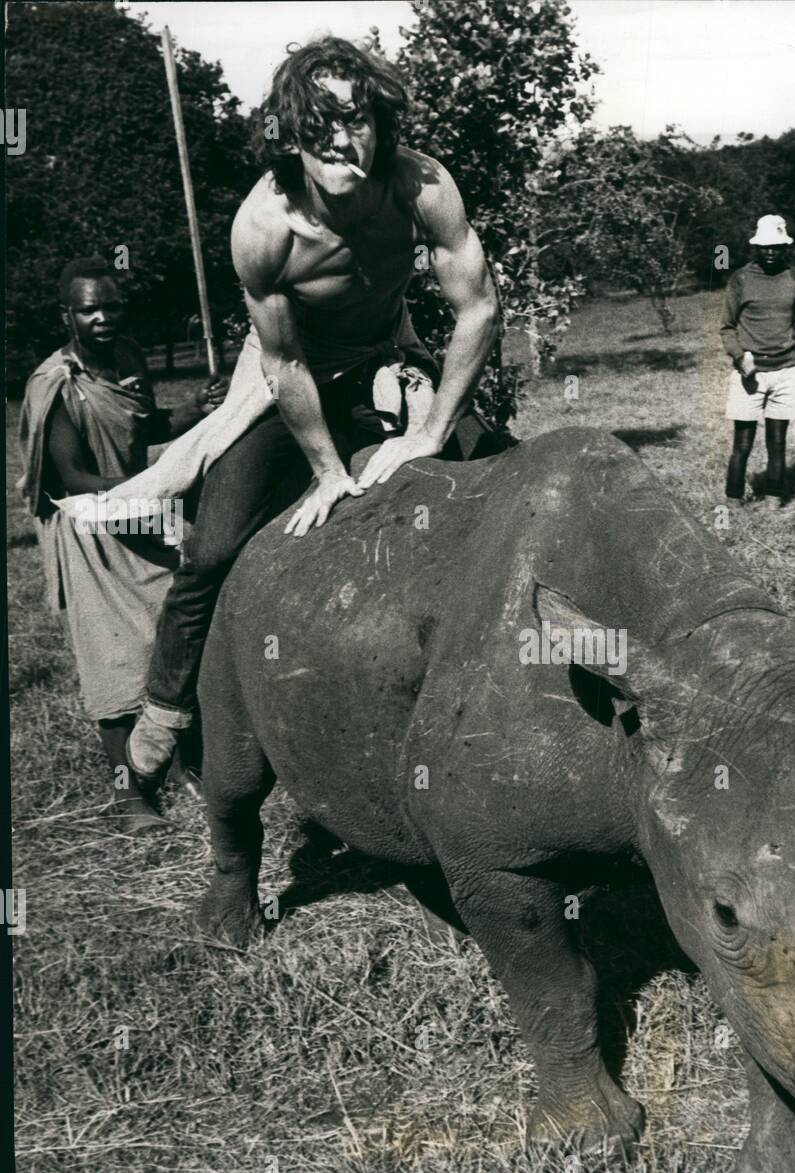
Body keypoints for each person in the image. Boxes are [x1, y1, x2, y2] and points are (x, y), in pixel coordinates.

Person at [126, 36, 501, 779]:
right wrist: (327, 471)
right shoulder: (263, 227)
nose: (337, 138)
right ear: (290, 130)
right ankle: (164, 710)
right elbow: (285, 361)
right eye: (317, 120)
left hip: (387, 351)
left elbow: (480, 308)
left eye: (354, 117)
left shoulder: (421, 186)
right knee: (213, 548)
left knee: (497, 478)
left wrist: (429, 431)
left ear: (380, 122)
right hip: (289, 372)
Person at [18, 259, 227, 831]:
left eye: (111, 306)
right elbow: (76, 479)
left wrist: (192, 416)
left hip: (140, 514)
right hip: (91, 529)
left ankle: (185, 762)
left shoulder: (129, 356)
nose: (103, 317)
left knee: (174, 638)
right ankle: (127, 795)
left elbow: (145, 427)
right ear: (68, 314)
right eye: (90, 309)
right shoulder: (55, 383)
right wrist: (166, 485)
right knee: (114, 663)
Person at [719, 214, 795, 506]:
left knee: (777, 442)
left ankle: (774, 500)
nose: (771, 252)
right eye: (765, 246)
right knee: (743, 444)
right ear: (756, 247)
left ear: (785, 247)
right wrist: (738, 357)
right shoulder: (741, 280)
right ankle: (733, 500)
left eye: (776, 246)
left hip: (785, 371)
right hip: (751, 374)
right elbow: (727, 327)